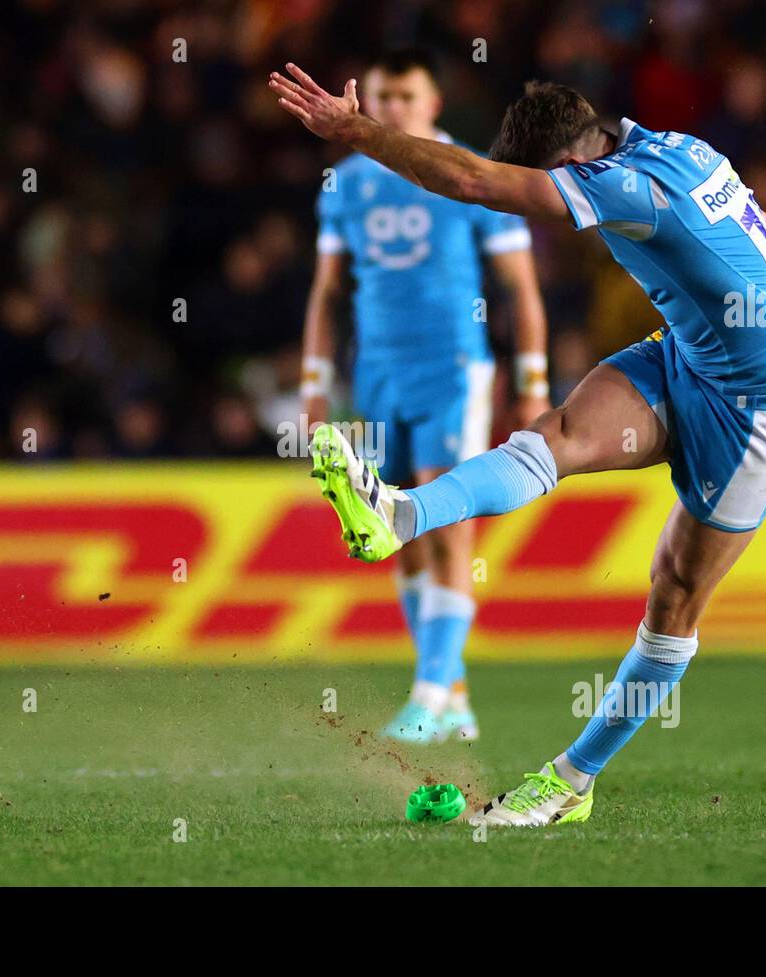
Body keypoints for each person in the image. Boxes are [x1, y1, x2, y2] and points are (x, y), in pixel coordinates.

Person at [272, 65, 766, 826]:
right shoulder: (683, 149)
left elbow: (476, 183)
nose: (553, 224)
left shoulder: (618, 185)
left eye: (548, 198)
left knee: (674, 595)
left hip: (763, 414)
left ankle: (572, 780)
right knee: (560, 434)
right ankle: (400, 514)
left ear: (571, 167)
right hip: (688, 360)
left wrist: (360, 132)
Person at [300, 50, 548, 744]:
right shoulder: (345, 183)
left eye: (409, 95)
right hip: (376, 372)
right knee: (393, 530)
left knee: (443, 520)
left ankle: (430, 693)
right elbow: (326, 292)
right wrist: (315, 383)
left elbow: (522, 290)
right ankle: (454, 697)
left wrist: (531, 380)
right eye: (384, 96)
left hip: (453, 369)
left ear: (434, 102)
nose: (397, 108)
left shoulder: (471, 174)